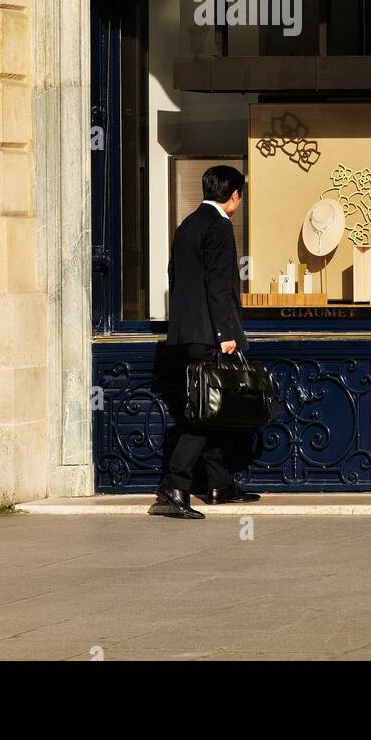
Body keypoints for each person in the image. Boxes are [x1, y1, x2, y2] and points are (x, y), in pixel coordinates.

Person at [149, 164, 261, 518]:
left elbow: (175, 276)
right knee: (201, 414)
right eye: (240, 195)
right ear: (234, 195)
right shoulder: (219, 226)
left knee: (210, 409)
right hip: (210, 334)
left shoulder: (187, 225)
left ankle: (217, 483)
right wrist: (226, 335)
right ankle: (174, 486)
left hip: (186, 334)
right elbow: (219, 286)